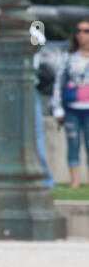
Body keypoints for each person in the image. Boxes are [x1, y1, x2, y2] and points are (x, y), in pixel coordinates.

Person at [52, 19, 89, 188]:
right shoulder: (68, 58)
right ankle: (74, 182)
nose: (81, 34)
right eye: (78, 31)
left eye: (85, 31)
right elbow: (59, 83)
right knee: (73, 144)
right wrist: (57, 108)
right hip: (72, 108)